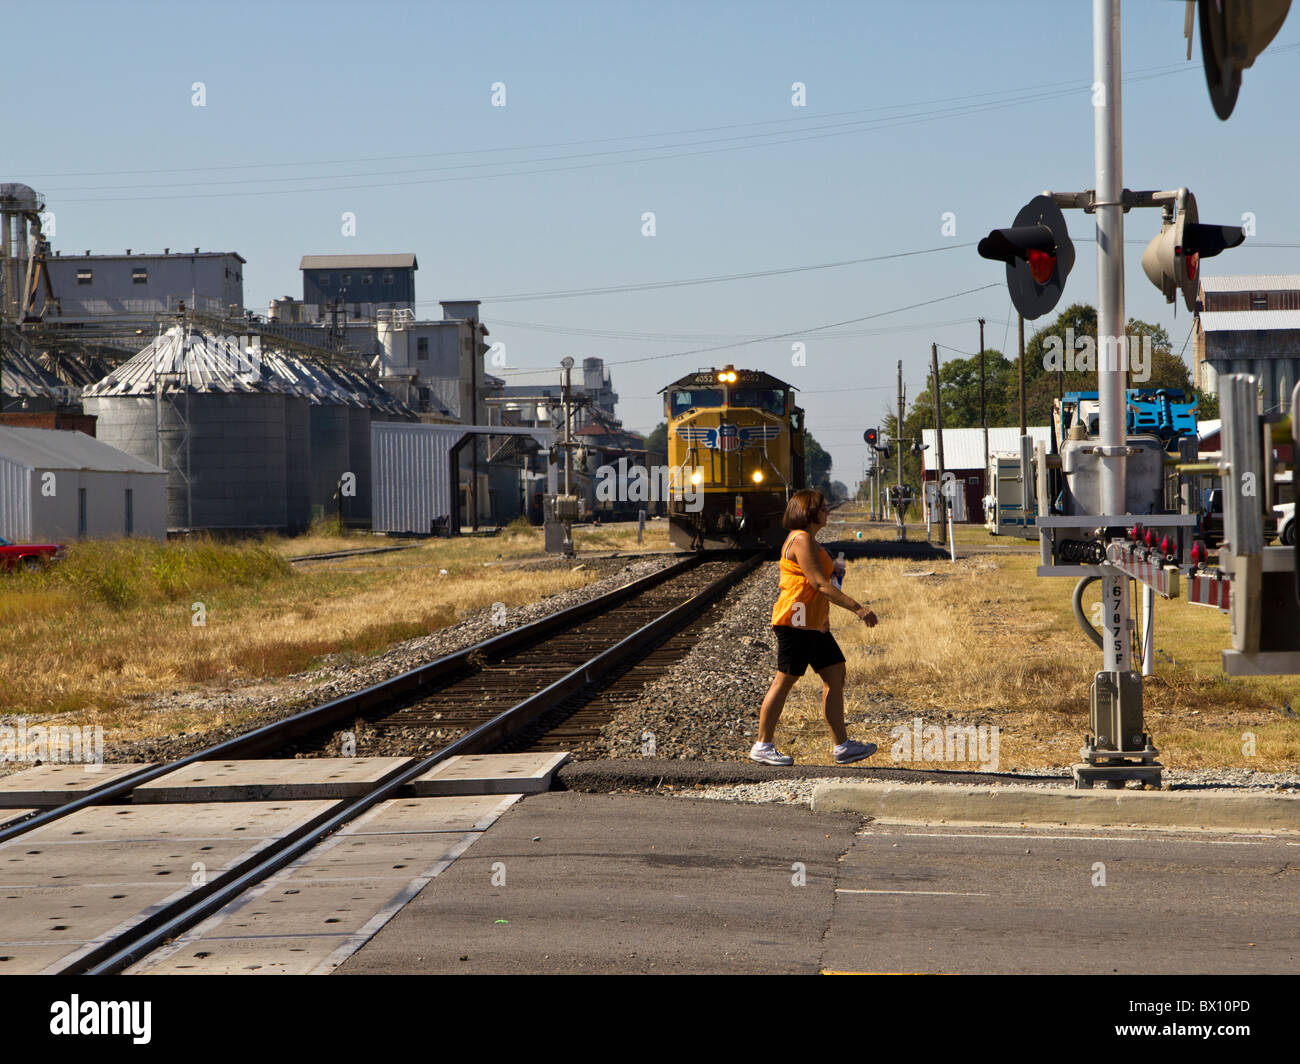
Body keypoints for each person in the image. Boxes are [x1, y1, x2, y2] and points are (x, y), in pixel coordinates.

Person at [750, 489, 879, 766]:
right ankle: (762, 744)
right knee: (784, 680)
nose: (827, 511)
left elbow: (819, 584)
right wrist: (859, 609)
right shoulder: (802, 539)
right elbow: (819, 584)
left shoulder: (810, 540)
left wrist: (825, 611)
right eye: (823, 507)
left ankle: (842, 746)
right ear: (809, 511)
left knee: (834, 673)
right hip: (796, 620)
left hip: (811, 622)